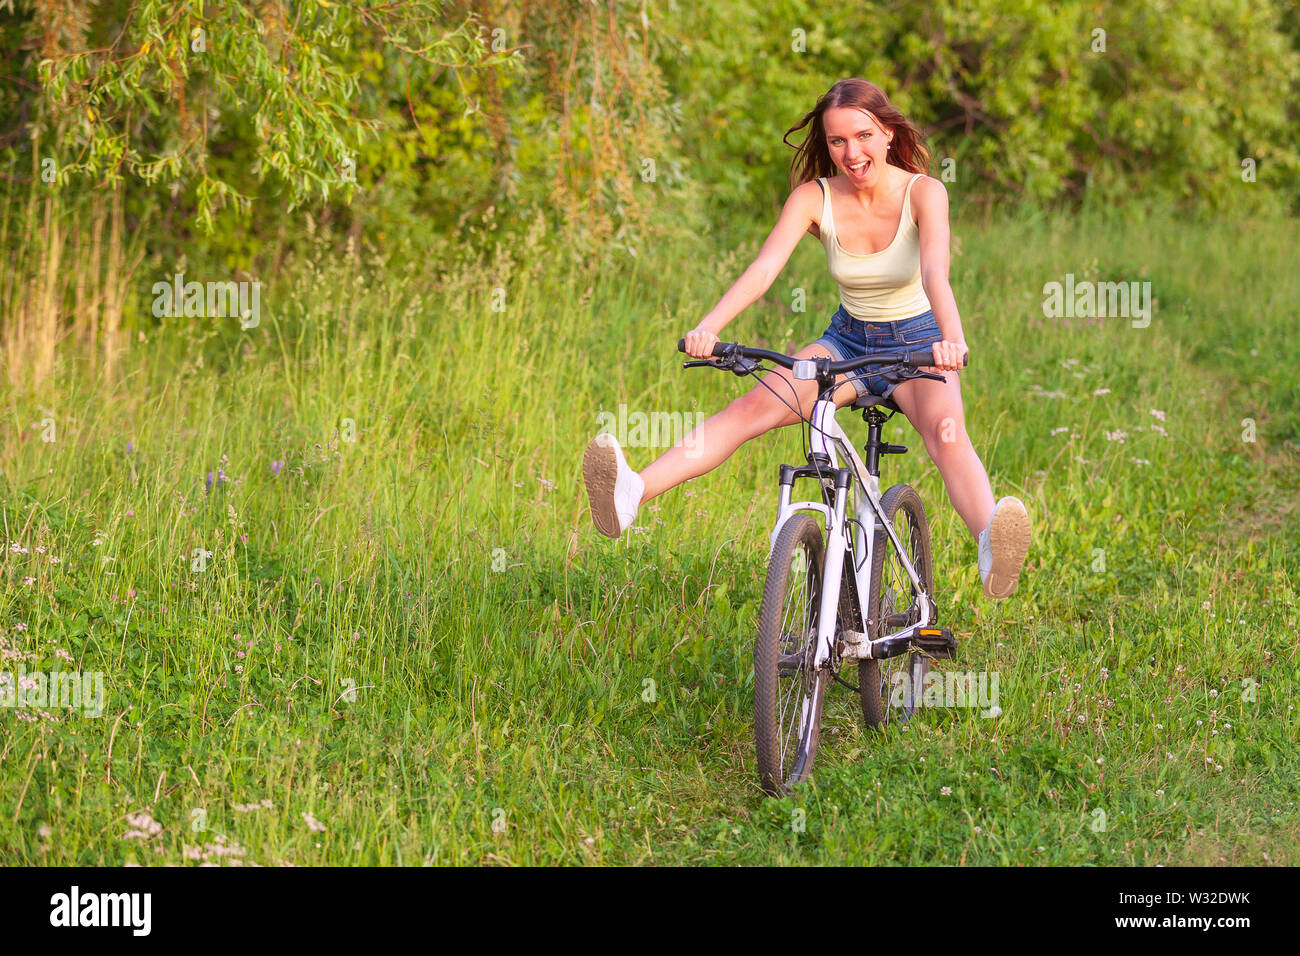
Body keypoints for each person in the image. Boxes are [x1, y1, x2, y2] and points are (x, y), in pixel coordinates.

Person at [582, 77, 1031, 599]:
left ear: (887, 133)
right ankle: (632, 494)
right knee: (752, 408)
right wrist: (710, 327)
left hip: (917, 340)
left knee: (947, 432)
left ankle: (992, 548)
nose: (851, 152)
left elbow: (936, 273)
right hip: (846, 341)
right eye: (837, 141)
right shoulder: (814, 197)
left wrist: (951, 341)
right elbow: (763, 269)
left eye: (863, 136)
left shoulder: (924, 193)